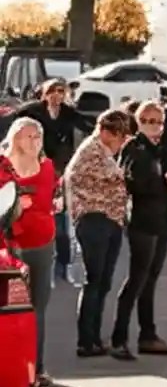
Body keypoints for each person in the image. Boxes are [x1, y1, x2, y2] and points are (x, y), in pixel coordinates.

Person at [109, 102, 167, 360]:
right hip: (141, 220)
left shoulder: (164, 152)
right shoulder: (134, 147)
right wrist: (158, 181)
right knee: (136, 279)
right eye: (148, 120)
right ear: (139, 122)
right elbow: (130, 181)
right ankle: (119, 338)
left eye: (158, 121)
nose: (154, 126)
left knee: (150, 280)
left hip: (162, 220)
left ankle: (148, 334)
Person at [66, 110, 133, 357]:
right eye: (119, 137)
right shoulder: (92, 152)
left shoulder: (104, 152)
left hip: (109, 220)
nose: (120, 143)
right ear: (105, 132)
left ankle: (94, 337)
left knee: (102, 283)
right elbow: (121, 179)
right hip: (95, 220)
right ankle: (86, 340)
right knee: (94, 281)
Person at [0, 117, 59, 386]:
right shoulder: (4, 167)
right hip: (10, 246)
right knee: (12, 310)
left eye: (38, 136)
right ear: (15, 139)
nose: (34, 141)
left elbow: (46, 201)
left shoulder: (47, 167)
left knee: (38, 307)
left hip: (42, 242)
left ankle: (38, 367)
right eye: (28, 136)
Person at [16, 79, 93, 280]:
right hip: (36, 166)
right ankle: (29, 263)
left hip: (59, 167)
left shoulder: (67, 112)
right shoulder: (33, 110)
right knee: (35, 212)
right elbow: (12, 122)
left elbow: (87, 124)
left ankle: (63, 265)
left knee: (60, 218)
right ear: (45, 93)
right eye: (52, 91)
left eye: (61, 91)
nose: (57, 95)